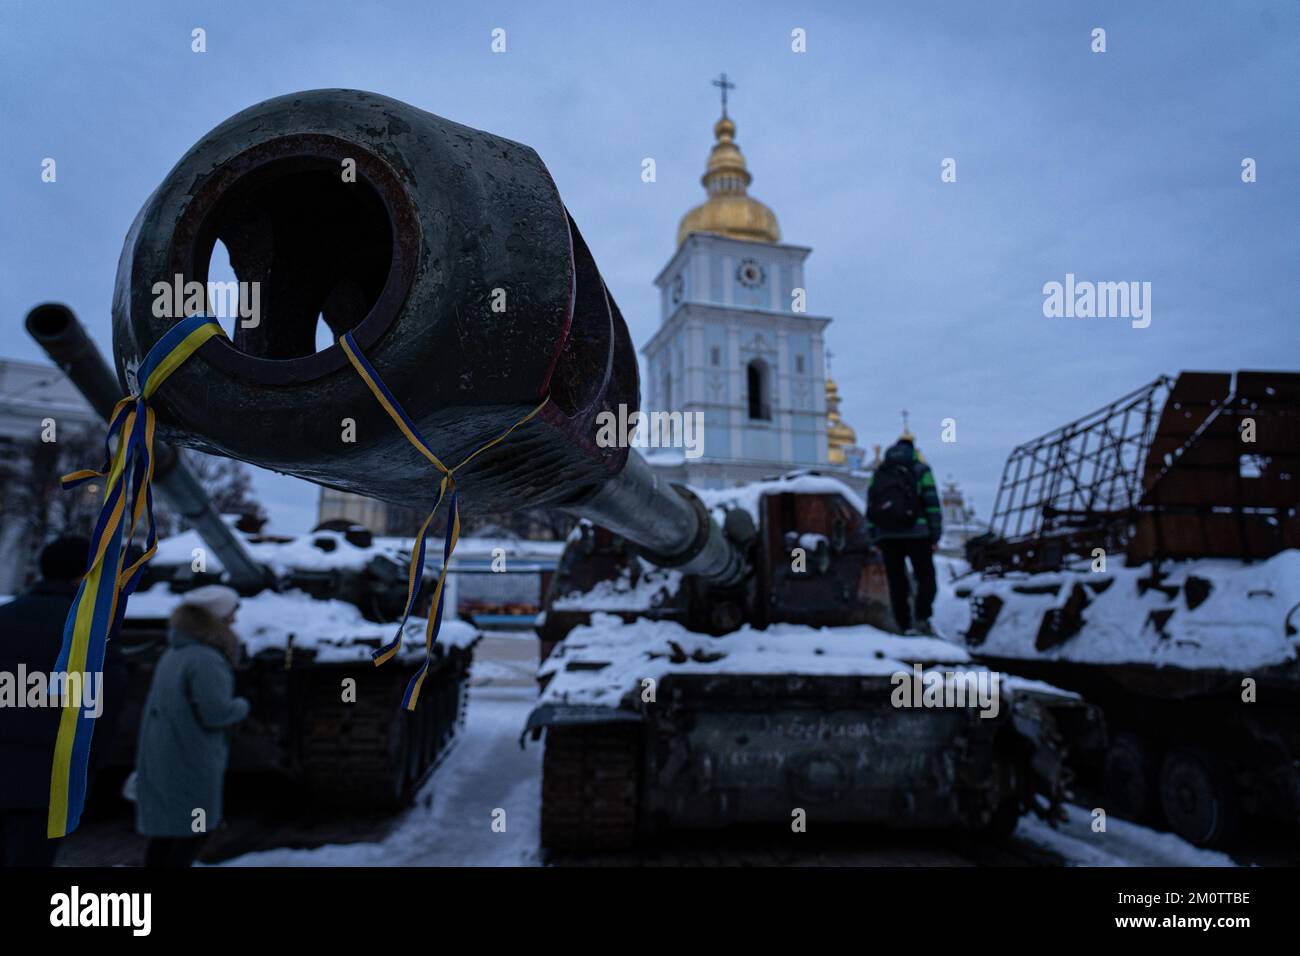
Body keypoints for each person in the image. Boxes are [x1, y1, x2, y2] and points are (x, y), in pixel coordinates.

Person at [135, 585, 249, 867]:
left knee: (167, 833)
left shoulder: (175, 653)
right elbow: (216, 714)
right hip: (190, 756)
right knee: (193, 832)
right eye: (231, 613)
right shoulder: (206, 659)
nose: (235, 620)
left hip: (168, 753)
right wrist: (242, 706)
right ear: (216, 619)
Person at [0, 536, 89, 866]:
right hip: (47, 782)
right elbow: (96, 714)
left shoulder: (5, 615)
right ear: (84, 575)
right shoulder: (88, 631)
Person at [867, 431, 942, 635]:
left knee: (896, 581)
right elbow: (931, 502)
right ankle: (922, 617)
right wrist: (935, 534)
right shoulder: (921, 469)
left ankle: (904, 625)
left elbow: (871, 505)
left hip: (887, 535)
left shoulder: (880, 471)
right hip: (918, 533)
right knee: (926, 578)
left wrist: (874, 536)